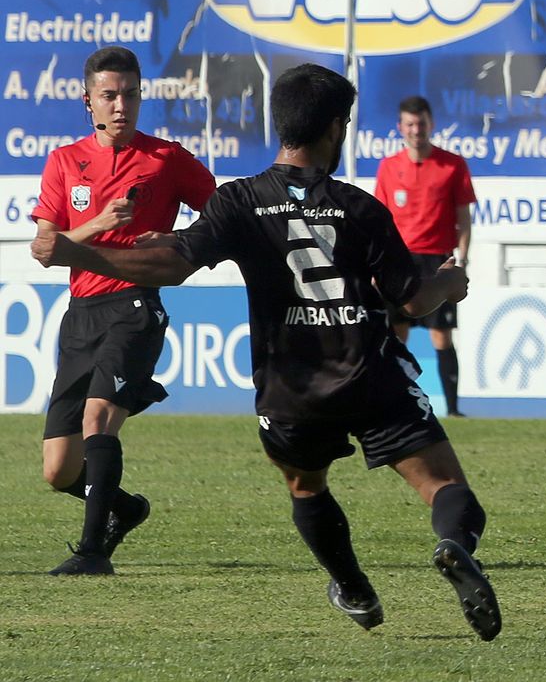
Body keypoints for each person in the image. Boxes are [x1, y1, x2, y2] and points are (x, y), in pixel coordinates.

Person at [31, 64, 501, 641]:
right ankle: (453, 545)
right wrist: (451, 284)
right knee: (446, 489)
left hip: (289, 388)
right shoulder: (359, 207)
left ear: (280, 125)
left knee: (306, 487)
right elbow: (412, 299)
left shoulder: (240, 202)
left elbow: (173, 264)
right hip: (368, 372)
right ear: (334, 127)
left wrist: (85, 255)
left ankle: (351, 585)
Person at [31, 46, 216, 576]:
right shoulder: (65, 162)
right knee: (58, 470)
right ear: (87, 100)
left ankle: (91, 554)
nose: (121, 106)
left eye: (130, 95)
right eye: (109, 96)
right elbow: (45, 249)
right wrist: (96, 224)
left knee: (99, 417)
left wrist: (177, 239)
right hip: (81, 312)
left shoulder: (167, 159)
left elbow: (221, 216)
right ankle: (125, 507)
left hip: (135, 306)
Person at [374, 96, 475, 417]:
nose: (416, 130)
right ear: (400, 128)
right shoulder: (389, 167)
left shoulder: (453, 165)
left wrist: (462, 257)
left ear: (431, 125)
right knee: (397, 333)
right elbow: (381, 220)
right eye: (410, 124)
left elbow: (464, 217)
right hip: (400, 260)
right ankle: (394, 402)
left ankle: (454, 409)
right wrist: (376, 263)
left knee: (441, 335)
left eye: (421, 123)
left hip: (437, 260)